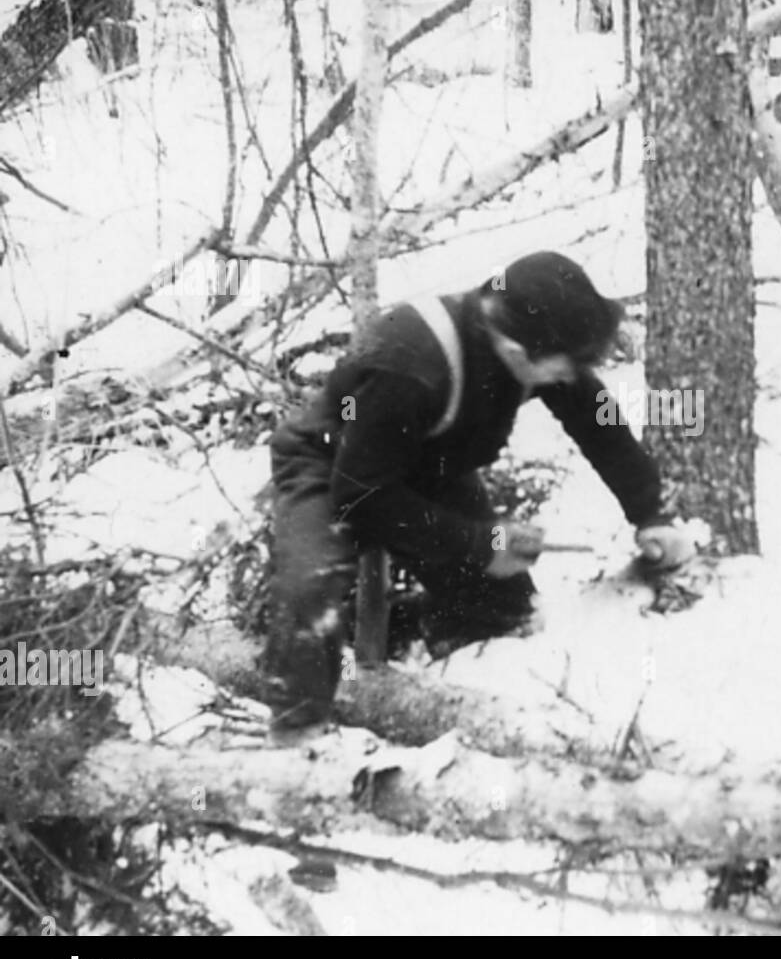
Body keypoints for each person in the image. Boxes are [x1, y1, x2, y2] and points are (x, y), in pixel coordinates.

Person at [263, 251, 695, 727]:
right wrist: (479, 544)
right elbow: (362, 497)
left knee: (507, 614)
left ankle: (402, 654)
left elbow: (597, 420)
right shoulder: (410, 363)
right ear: (515, 353)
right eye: (560, 369)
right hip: (333, 468)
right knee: (309, 596)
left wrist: (650, 512)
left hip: (428, 466)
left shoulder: (532, 337)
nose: (568, 378)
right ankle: (296, 749)